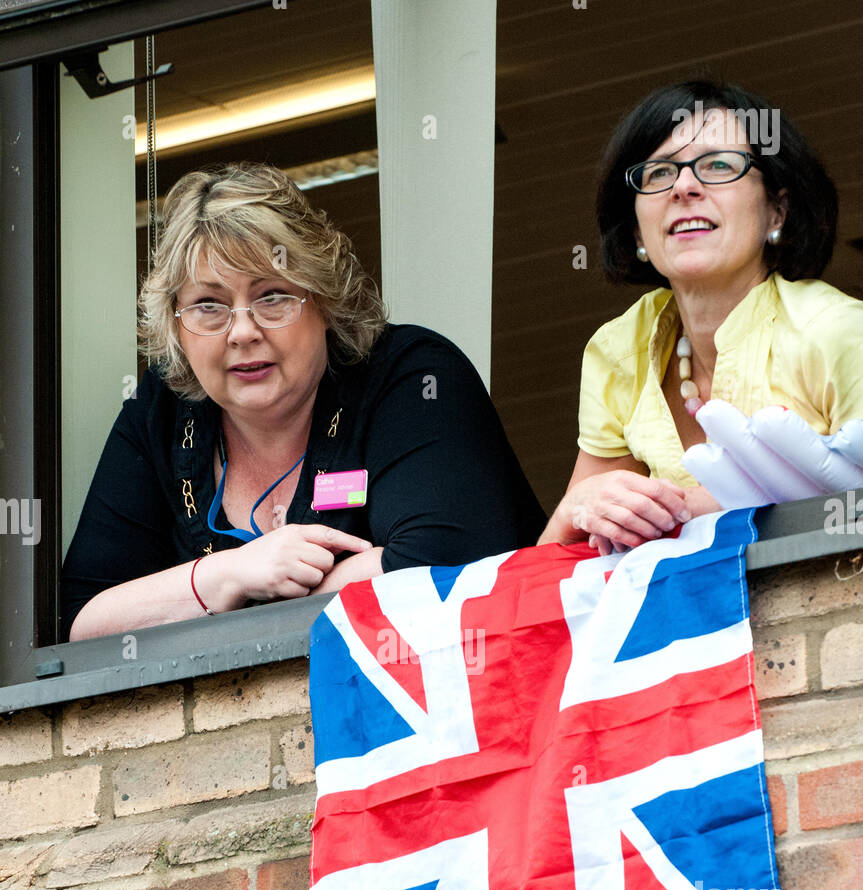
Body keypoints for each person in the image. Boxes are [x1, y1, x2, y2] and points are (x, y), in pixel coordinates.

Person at [62, 163, 545, 641]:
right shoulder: (161, 413)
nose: (243, 332)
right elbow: (84, 623)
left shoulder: (412, 374)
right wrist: (228, 575)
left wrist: (223, 608)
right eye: (208, 305)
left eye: (272, 296)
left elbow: (446, 565)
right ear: (175, 324)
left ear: (324, 298)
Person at [539, 79, 863, 554]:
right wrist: (574, 509)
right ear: (636, 230)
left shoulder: (838, 331)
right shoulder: (617, 350)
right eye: (658, 173)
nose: (685, 187)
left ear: (777, 210)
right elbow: (557, 570)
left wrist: (695, 509)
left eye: (717, 165)